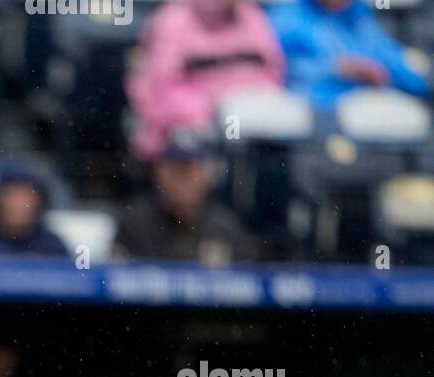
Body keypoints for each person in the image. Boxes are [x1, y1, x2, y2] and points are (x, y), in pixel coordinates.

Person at [128, 0, 285, 161]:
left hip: (244, 123)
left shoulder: (251, 16)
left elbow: (271, 72)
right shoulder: (173, 20)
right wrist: (211, 112)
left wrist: (247, 105)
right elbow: (159, 89)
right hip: (181, 132)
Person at [115, 129, 259, 264]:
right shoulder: (135, 223)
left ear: (207, 177)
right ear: (158, 174)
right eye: (175, 171)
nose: (184, 180)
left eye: (191, 171)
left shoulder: (225, 228)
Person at [272, 0, 429, 108]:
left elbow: (402, 69)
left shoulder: (362, 19)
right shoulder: (288, 18)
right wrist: (335, 69)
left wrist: (382, 74)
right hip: (317, 118)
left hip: (369, 115)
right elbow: (279, 69)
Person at [0, 161, 69, 258]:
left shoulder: (52, 246)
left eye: (26, 196)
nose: (18, 204)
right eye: (11, 196)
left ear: (40, 202)